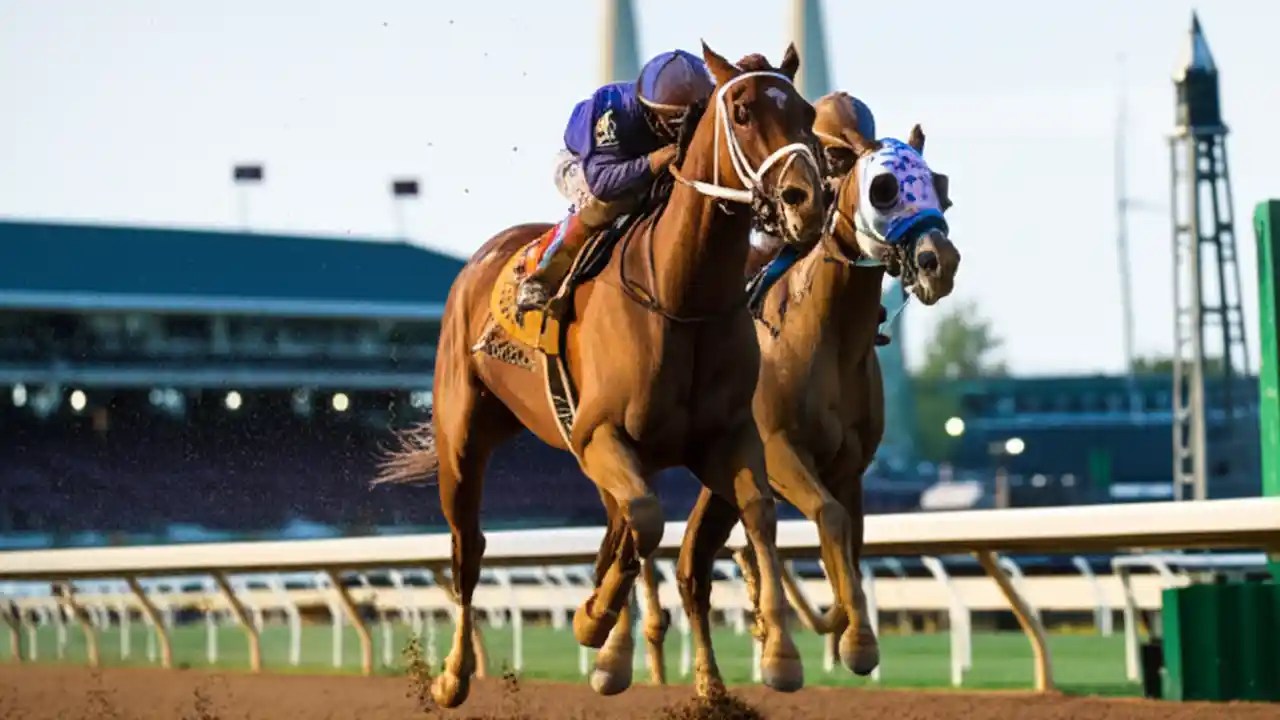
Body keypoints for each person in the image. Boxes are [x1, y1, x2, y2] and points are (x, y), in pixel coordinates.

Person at [515, 49, 716, 312]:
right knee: (609, 203)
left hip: (636, 163)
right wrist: (653, 161)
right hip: (584, 165)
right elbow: (602, 181)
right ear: (656, 113)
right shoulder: (612, 111)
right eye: (681, 121)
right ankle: (542, 277)